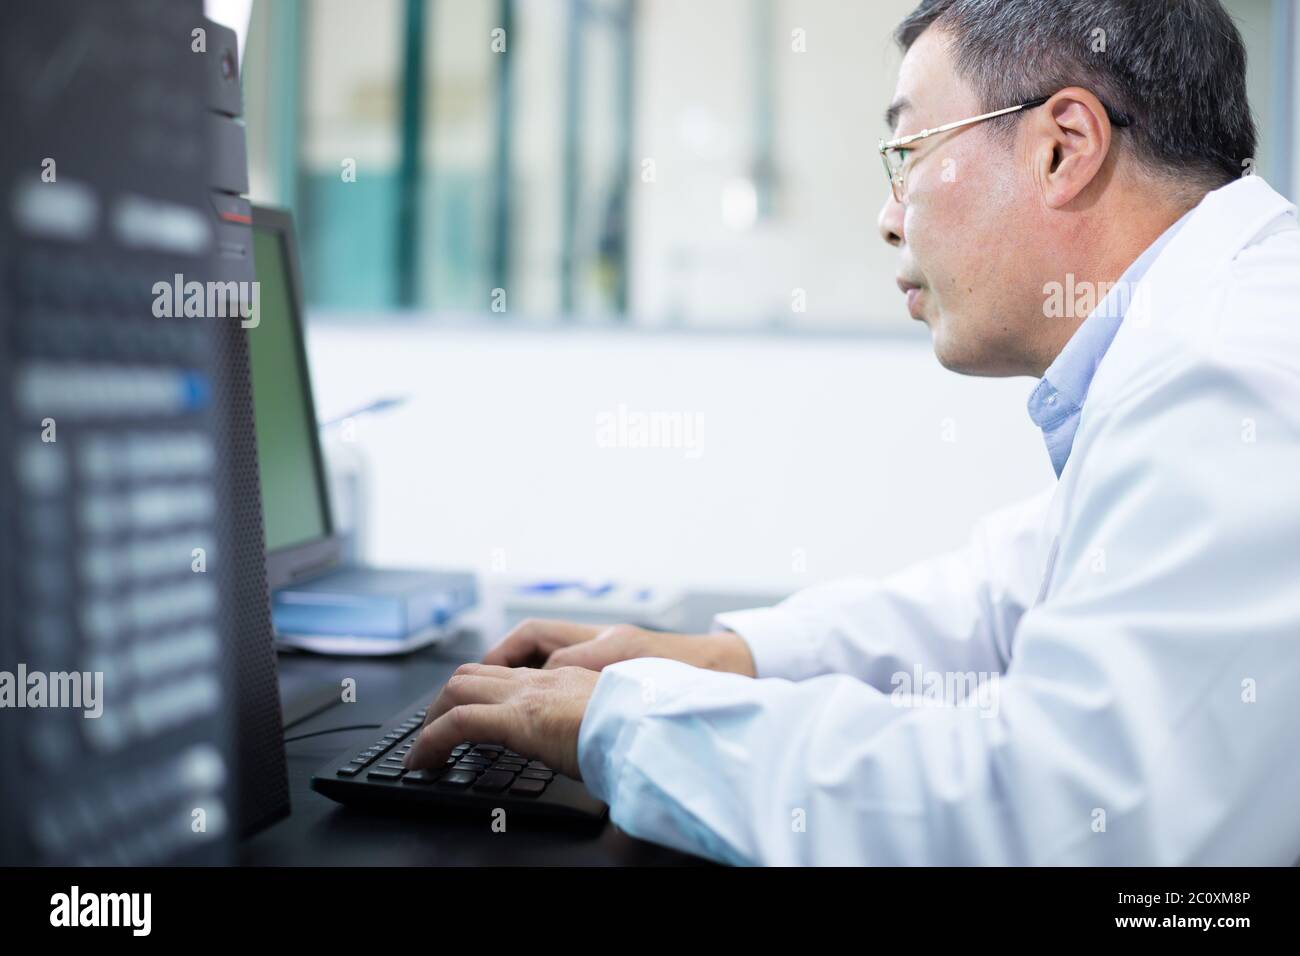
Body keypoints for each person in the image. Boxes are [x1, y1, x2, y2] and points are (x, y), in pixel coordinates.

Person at [406, 0, 1300, 865]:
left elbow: (1053, 819)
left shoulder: (1227, 379)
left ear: (1062, 148)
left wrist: (626, 724)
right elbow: (1000, 597)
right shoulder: (1205, 337)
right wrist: (728, 657)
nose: (888, 217)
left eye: (908, 153)